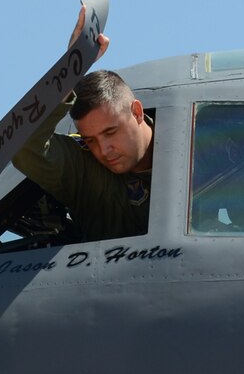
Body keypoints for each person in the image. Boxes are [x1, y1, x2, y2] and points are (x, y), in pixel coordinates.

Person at [9, 29, 154, 243]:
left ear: (137, 112)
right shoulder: (87, 169)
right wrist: (67, 73)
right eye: (90, 140)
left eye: (110, 132)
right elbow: (22, 145)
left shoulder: (197, 149)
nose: (104, 150)